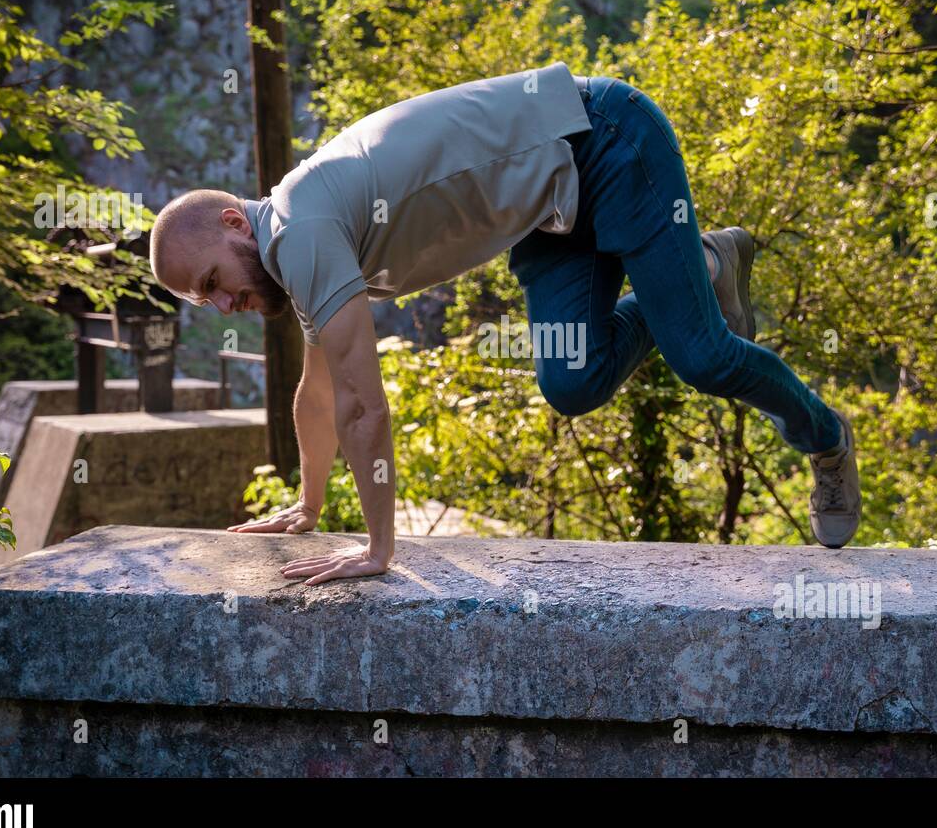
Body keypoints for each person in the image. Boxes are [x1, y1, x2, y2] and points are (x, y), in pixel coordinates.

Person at [149, 62, 860, 585]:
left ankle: (826, 438)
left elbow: (363, 404)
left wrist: (377, 551)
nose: (223, 306)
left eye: (213, 281)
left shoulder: (300, 232)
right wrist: (306, 507)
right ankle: (702, 266)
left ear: (235, 222)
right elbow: (318, 388)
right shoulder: (291, 243)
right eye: (203, 302)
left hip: (606, 140)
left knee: (702, 357)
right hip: (549, 210)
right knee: (573, 381)